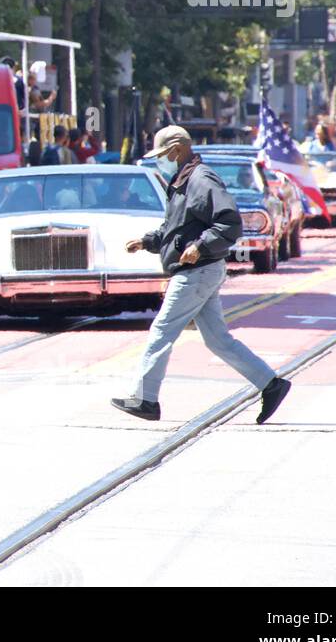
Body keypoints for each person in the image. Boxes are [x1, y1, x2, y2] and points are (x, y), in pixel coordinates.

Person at [112, 125, 291, 424]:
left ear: (177, 150)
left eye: (162, 155)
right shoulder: (184, 180)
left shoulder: (200, 179)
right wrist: (147, 241)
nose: (161, 160)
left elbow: (229, 223)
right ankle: (271, 384)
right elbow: (177, 228)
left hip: (196, 271)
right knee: (218, 340)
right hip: (201, 270)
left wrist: (199, 247)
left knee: (162, 330)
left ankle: (145, 399)